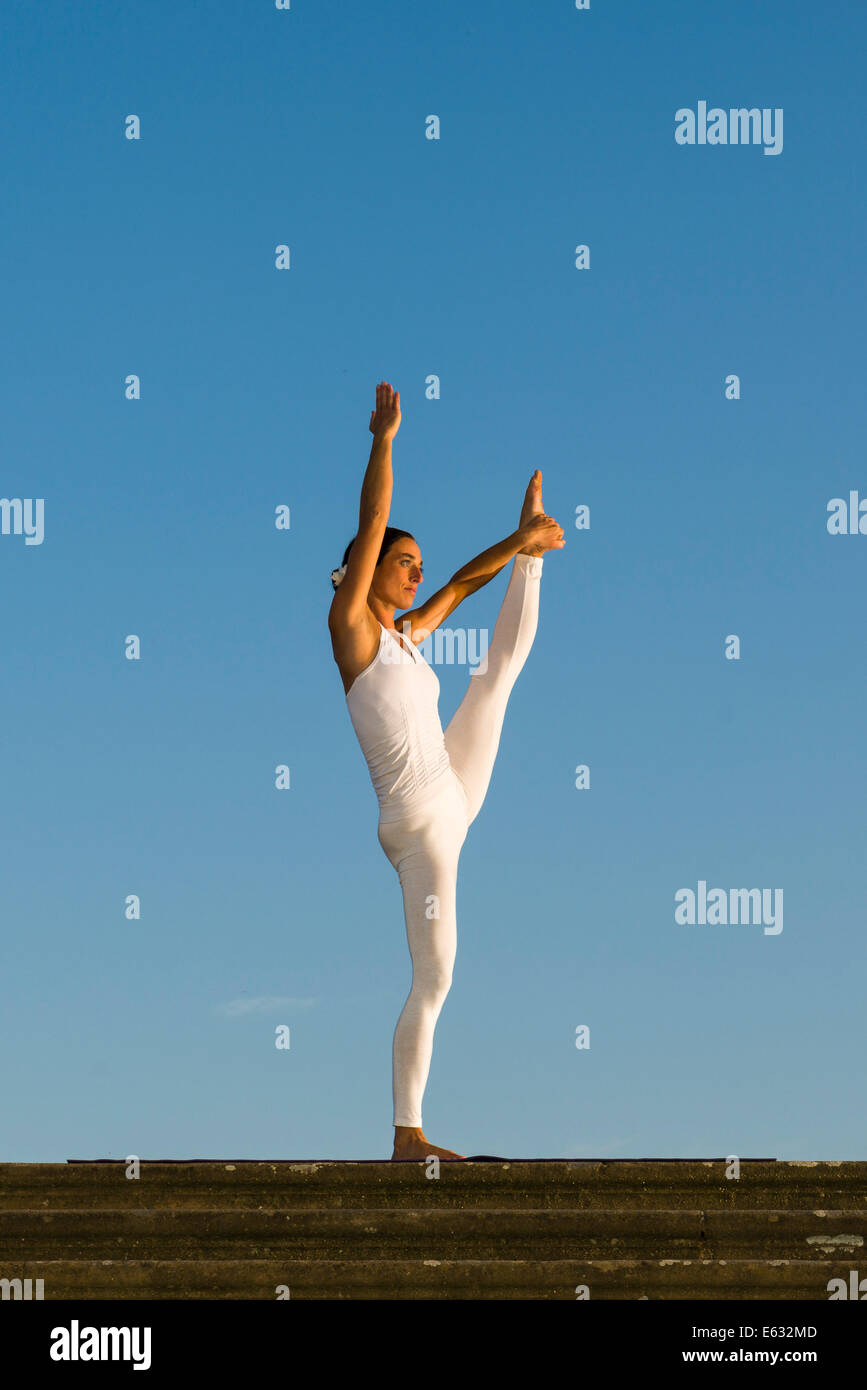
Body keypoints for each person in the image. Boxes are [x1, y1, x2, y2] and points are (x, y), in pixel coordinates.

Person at [328, 382, 564, 1159]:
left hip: (452, 792)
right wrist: (384, 441)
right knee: (435, 981)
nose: (415, 575)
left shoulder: (403, 636)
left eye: (415, 564)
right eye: (403, 563)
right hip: (418, 829)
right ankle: (407, 1134)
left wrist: (519, 539)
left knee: (494, 679)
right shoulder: (353, 632)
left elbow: (461, 583)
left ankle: (538, 561)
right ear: (366, 570)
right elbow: (369, 521)